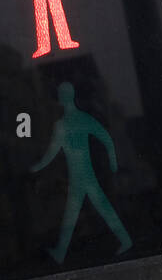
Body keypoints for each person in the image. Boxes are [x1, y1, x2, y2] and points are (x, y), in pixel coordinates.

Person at [31, 83, 132, 264]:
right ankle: (62, 251)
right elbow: (53, 152)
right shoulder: (74, 120)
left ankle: (123, 241)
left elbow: (52, 152)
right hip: (83, 174)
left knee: (93, 209)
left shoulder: (70, 122)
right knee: (85, 210)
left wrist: (113, 163)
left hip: (85, 174)